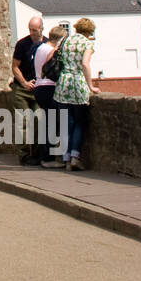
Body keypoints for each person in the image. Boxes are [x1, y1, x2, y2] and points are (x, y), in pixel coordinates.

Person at [53, 18, 99, 170]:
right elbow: (85, 64)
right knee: (79, 122)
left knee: (67, 123)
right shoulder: (87, 44)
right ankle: (74, 157)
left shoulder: (65, 41)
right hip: (77, 84)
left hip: (63, 83)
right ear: (89, 31)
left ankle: (65, 158)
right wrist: (91, 85)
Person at [11, 15, 47, 163]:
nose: (32, 32)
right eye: (30, 30)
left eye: (35, 30)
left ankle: (37, 155)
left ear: (41, 29)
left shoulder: (46, 44)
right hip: (21, 89)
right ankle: (24, 155)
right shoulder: (22, 44)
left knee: (39, 121)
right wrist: (24, 82)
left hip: (39, 89)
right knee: (23, 122)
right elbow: (15, 66)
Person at [32, 27, 68, 166]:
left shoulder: (40, 48)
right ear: (60, 39)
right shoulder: (52, 51)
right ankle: (47, 158)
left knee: (47, 122)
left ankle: (44, 156)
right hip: (49, 87)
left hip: (39, 87)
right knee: (52, 123)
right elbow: (49, 67)